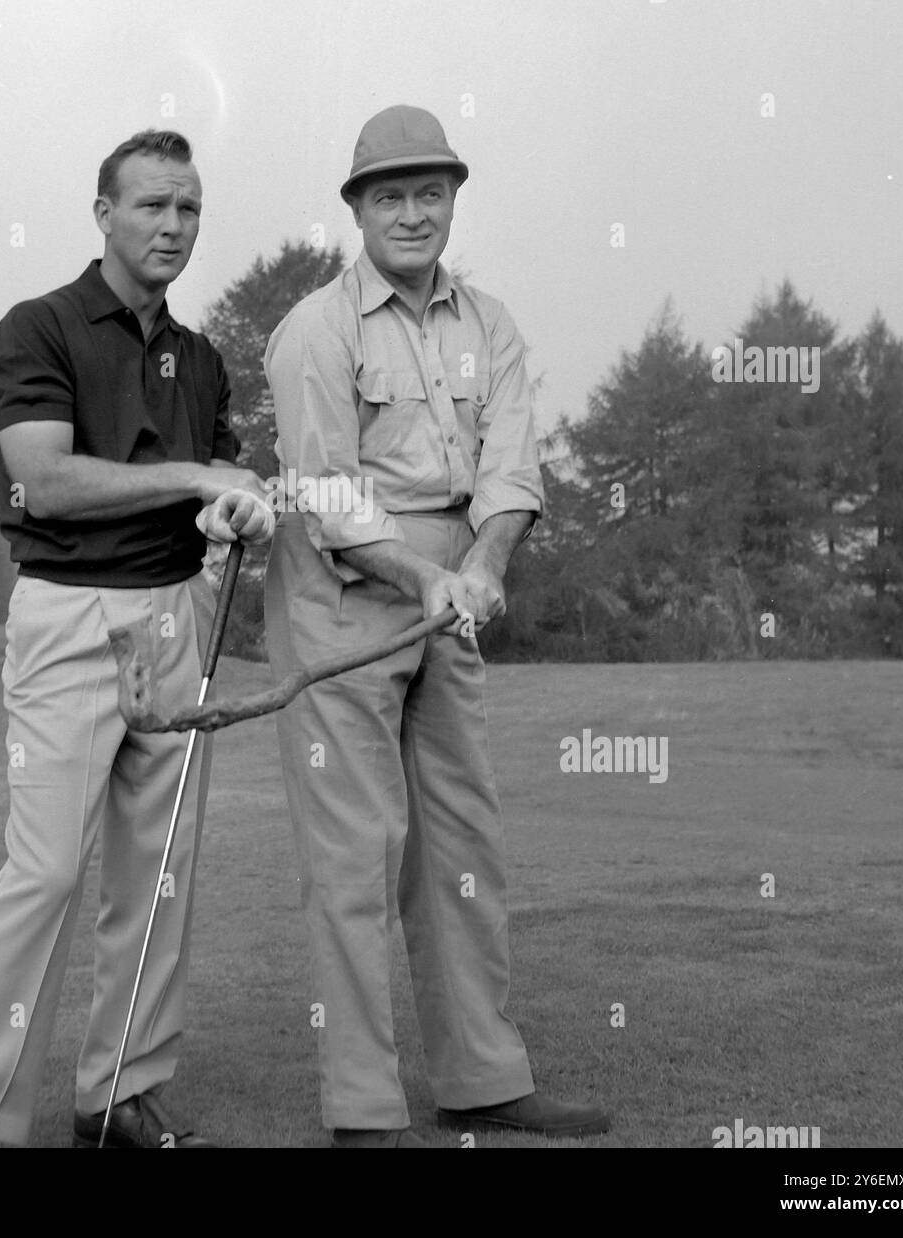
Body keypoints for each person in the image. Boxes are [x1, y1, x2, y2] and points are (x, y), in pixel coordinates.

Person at [263, 105, 611, 1148]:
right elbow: (322, 492)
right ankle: (365, 1109)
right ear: (356, 210)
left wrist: (485, 566)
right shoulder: (311, 332)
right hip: (340, 601)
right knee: (356, 854)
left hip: (453, 591)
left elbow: (511, 466)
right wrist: (421, 574)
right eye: (388, 196)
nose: (411, 214)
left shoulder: (490, 324)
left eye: (428, 193)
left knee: (462, 840)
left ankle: (482, 1077)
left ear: (453, 197)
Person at [0, 129, 272, 1149]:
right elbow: (44, 477)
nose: (171, 226)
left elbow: (215, 489)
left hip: (175, 614)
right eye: (152, 206)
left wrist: (227, 513)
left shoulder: (199, 359)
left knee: (156, 870)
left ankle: (119, 1090)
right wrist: (199, 480)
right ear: (103, 214)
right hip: (67, 614)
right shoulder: (38, 328)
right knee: (44, 871)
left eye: (188, 209)